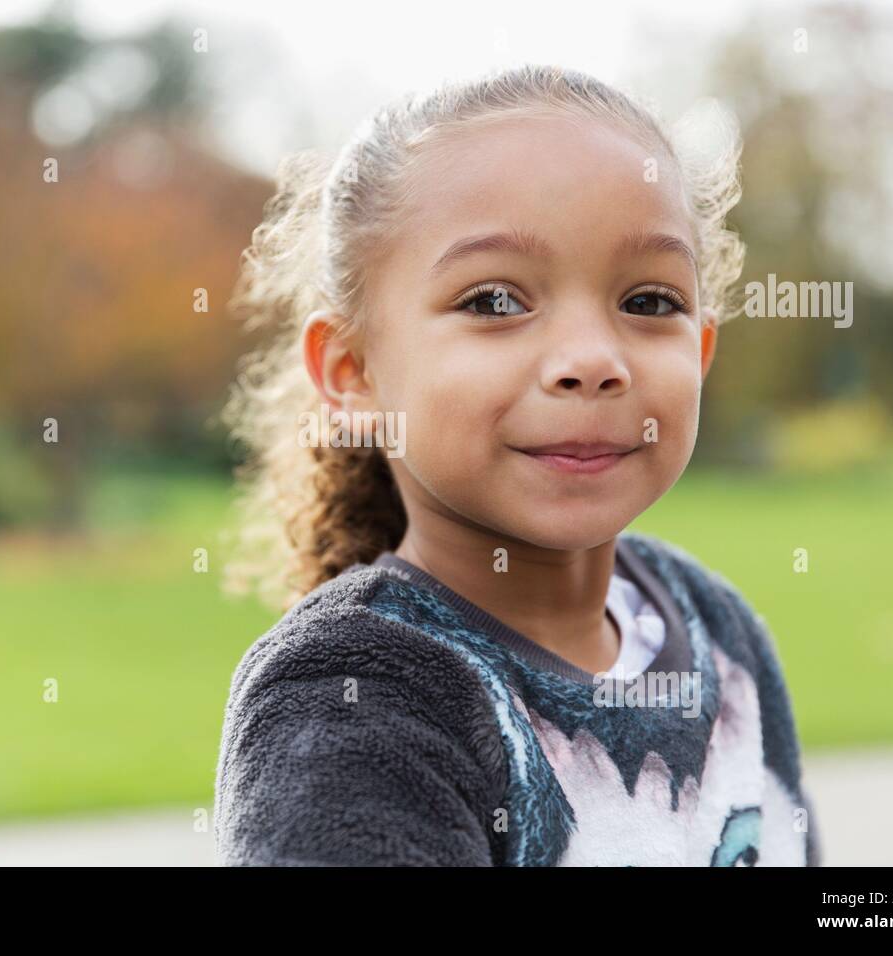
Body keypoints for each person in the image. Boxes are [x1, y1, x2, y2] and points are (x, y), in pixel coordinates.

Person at [212, 63, 820, 866]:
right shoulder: (351, 699)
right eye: (495, 301)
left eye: (648, 302)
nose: (592, 360)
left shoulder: (719, 628)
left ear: (701, 349)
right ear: (353, 372)